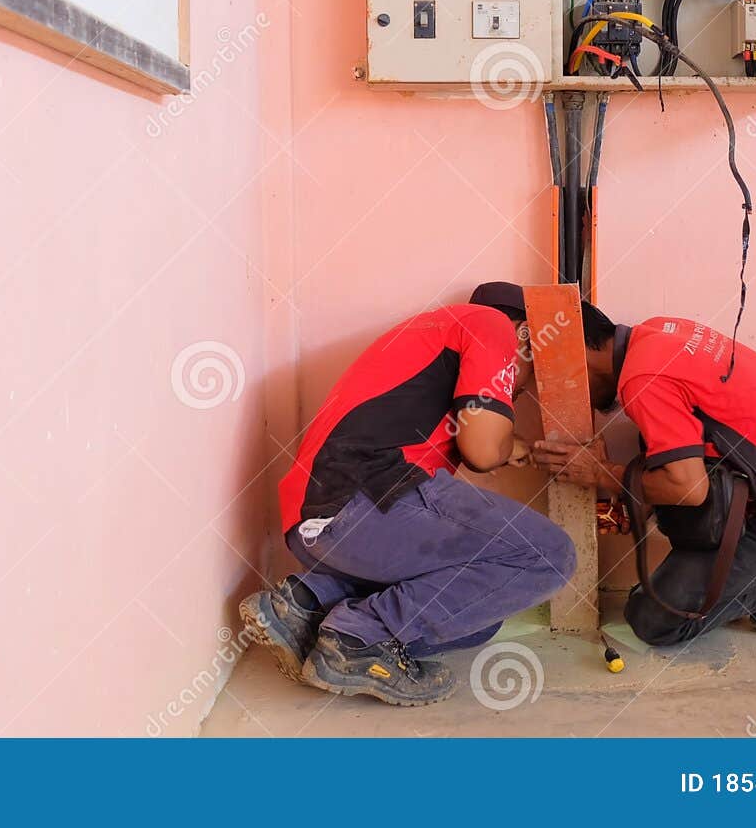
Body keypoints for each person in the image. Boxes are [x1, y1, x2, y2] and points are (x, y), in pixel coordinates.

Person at [239, 283, 576, 706]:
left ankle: (306, 601)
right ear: (525, 332)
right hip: (364, 501)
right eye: (524, 379)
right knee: (547, 555)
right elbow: (483, 450)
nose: (518, 390)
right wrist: (506, 444)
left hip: (316, 527)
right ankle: (358, 638)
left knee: (478, 616)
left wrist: (512, 446)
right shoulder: (491, 326)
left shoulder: (427, 338)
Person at [534, 303, 756, 646]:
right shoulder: (655, 333)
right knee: (655, 453)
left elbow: (688, 488)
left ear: (581, 352)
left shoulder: (642, 378)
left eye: (560, 376)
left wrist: (603, 473)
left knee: (654, 619)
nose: (568, 393)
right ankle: (741, 569)